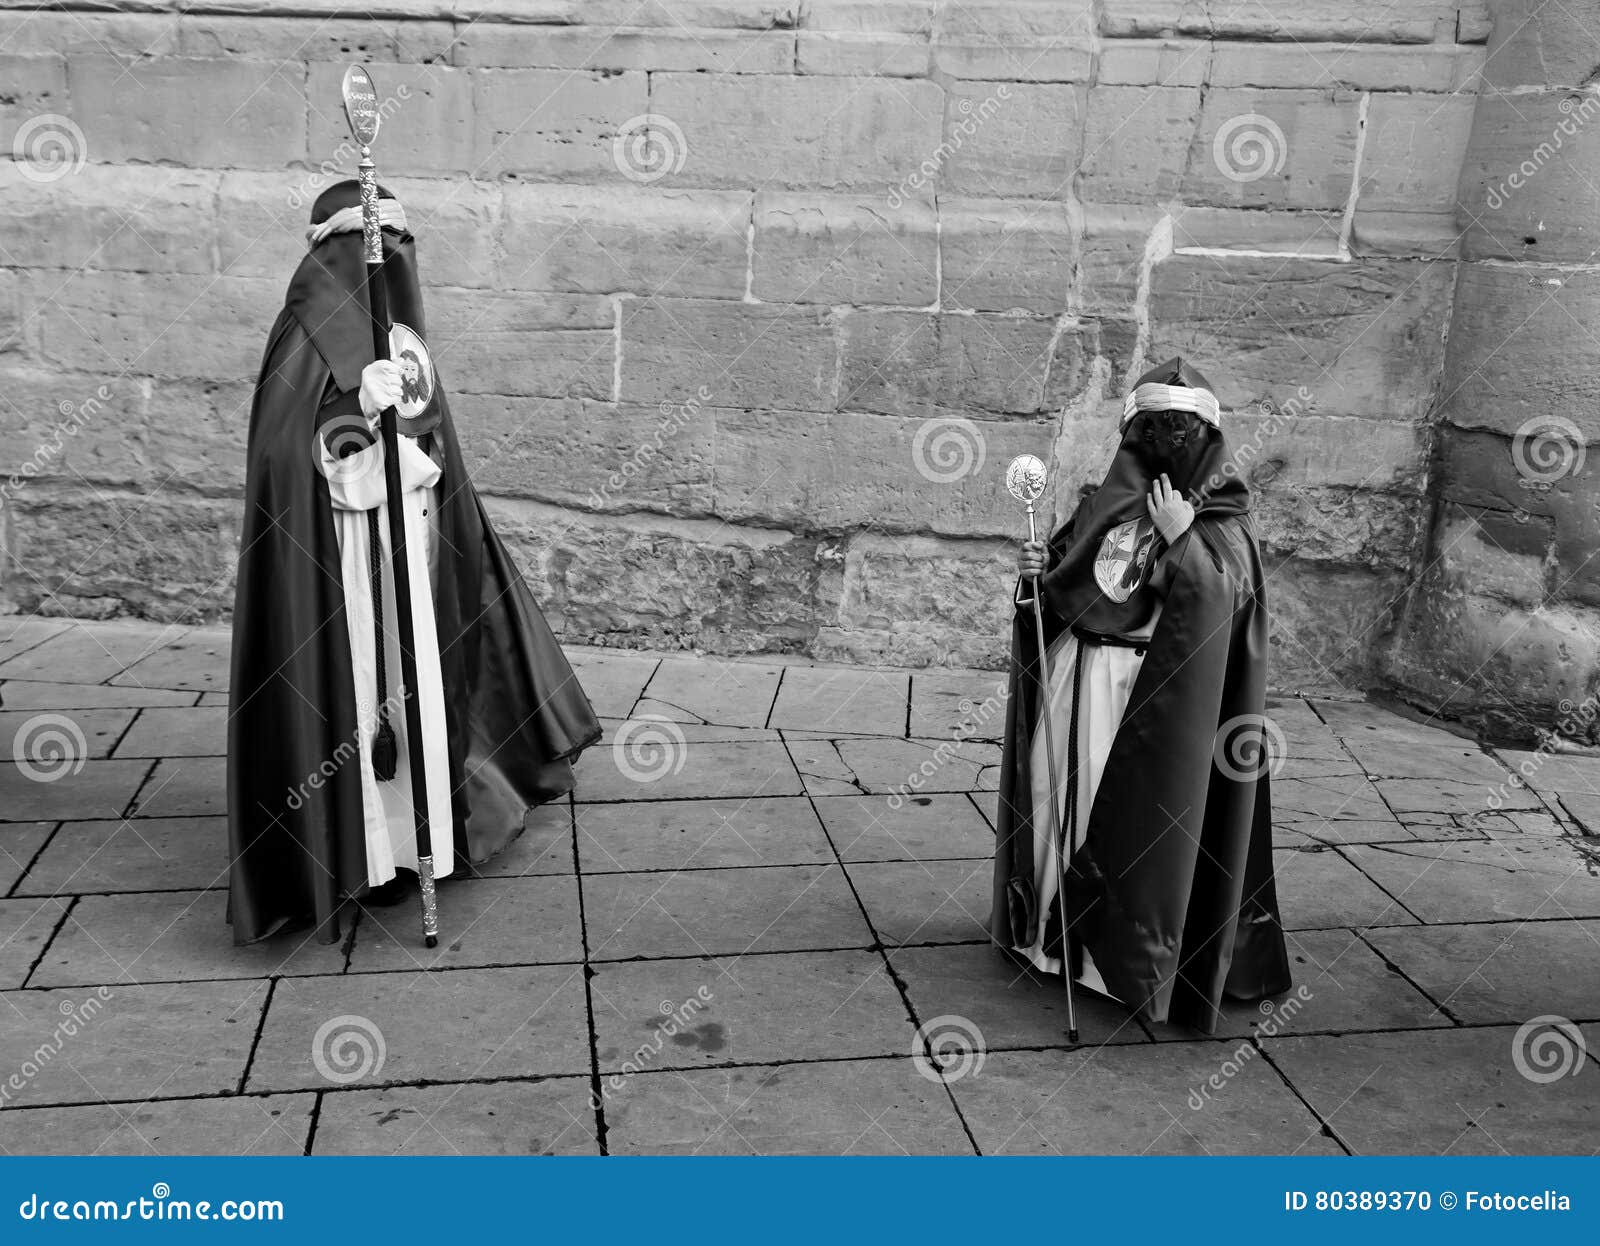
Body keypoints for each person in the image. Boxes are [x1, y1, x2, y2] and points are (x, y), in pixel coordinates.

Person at [227, 180, 601, 945]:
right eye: (375, 245)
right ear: (335, 250)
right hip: (341, 565)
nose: (391, 262)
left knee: (419, 695)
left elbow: (431, 439)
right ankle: (365, 856)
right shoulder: (301, 337)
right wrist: (354, 408)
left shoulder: (401, 333)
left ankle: (421, 844)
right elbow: (286, 459)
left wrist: (408, 424)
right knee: (360, 708)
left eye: (400, 245)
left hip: (411, 548)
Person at [990, 357, 1291, 1034]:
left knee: (1134, 818)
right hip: (1078, 678)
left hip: (1150, 697)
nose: (1165, 443)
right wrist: (1038, 574)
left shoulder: (1223, 520)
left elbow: (1226, 605)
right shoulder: (1102, 504)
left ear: (1206, 437)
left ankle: (1117, 962)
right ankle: (1053, 944)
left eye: (1180, 431)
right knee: (1061, 799)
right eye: (1152, 429)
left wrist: (1184, 536)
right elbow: (1063, 591)